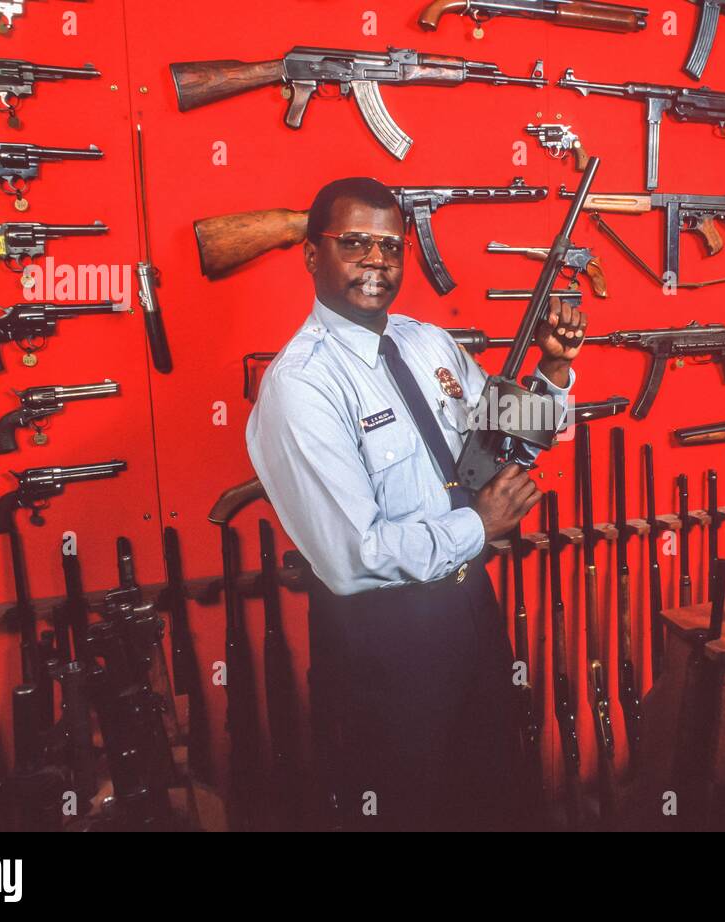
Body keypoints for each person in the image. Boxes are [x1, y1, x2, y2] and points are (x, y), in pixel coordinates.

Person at [246, 176, 587, 830]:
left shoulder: (425, 341)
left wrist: (555, 370)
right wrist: (479, 524)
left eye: (390, 246)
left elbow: (508, 428)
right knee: (405, 805)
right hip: (382, 640)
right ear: (313, 255)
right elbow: (354, 557)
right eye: (355, 244)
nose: (377, 260)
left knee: (491, 791)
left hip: (468, 609)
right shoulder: (302, 385)